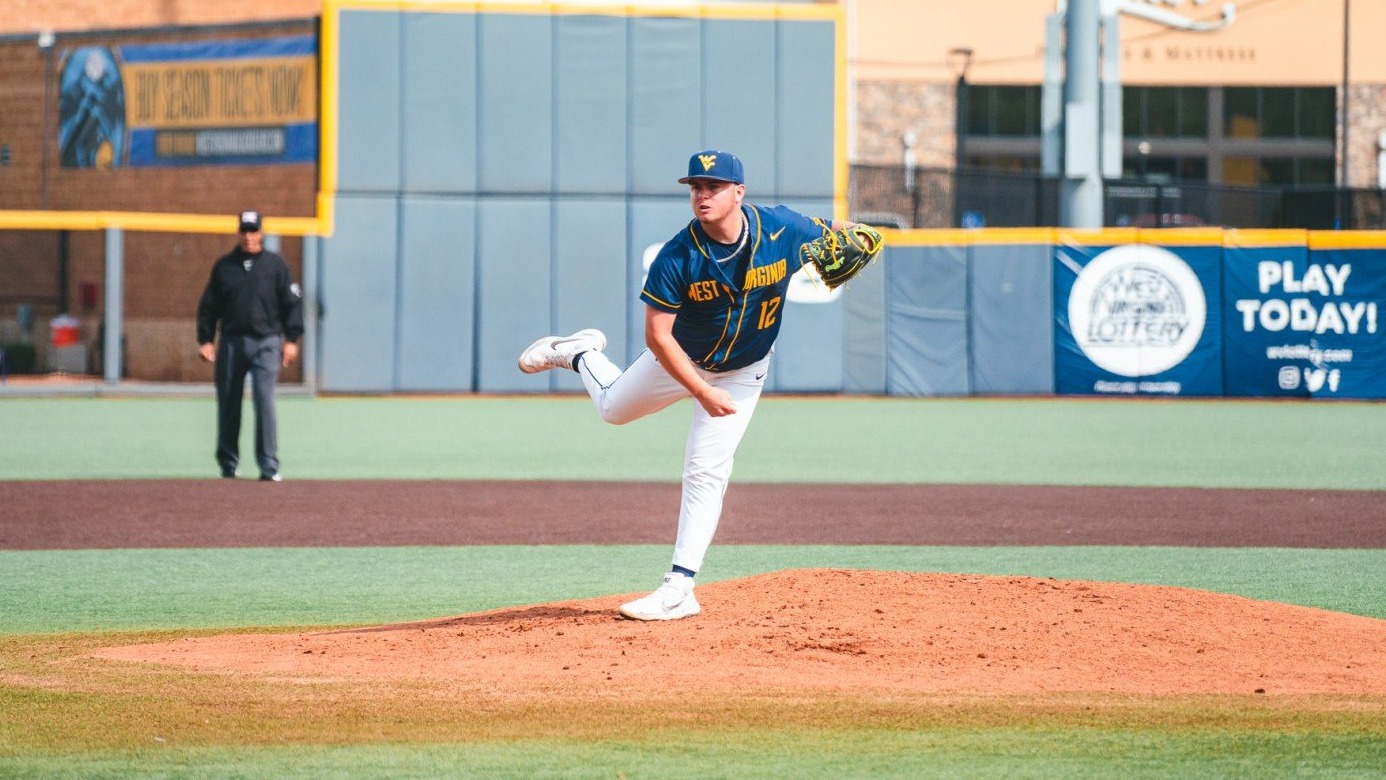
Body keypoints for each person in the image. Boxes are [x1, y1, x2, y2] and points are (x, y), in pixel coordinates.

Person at [518, 150, 877, 621]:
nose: (702, 195)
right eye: (696, 187)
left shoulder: (782, 228)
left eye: (713, 186)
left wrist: (862, 236)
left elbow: (845, 231)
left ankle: (679, 588)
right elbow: (657, 337)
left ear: (739, 192)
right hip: (680, 359)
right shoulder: (678, 256)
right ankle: (581, 351)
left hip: (744, 369)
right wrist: (702, 391)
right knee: (612, 409)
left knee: (706, 471)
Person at [196, 210, 304, 481]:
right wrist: (206, 339)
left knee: (263, 399)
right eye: (244, 231)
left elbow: (291, 304)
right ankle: (228, 463)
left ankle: (269, 465)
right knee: (229, 401)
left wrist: (292, 339)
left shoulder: (275, 265)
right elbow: (209, 306)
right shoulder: (225, 267)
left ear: (262, 233)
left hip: (266, 342)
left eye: (253, 231)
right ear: (238, 233)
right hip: (232, 342)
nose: (249, 236)